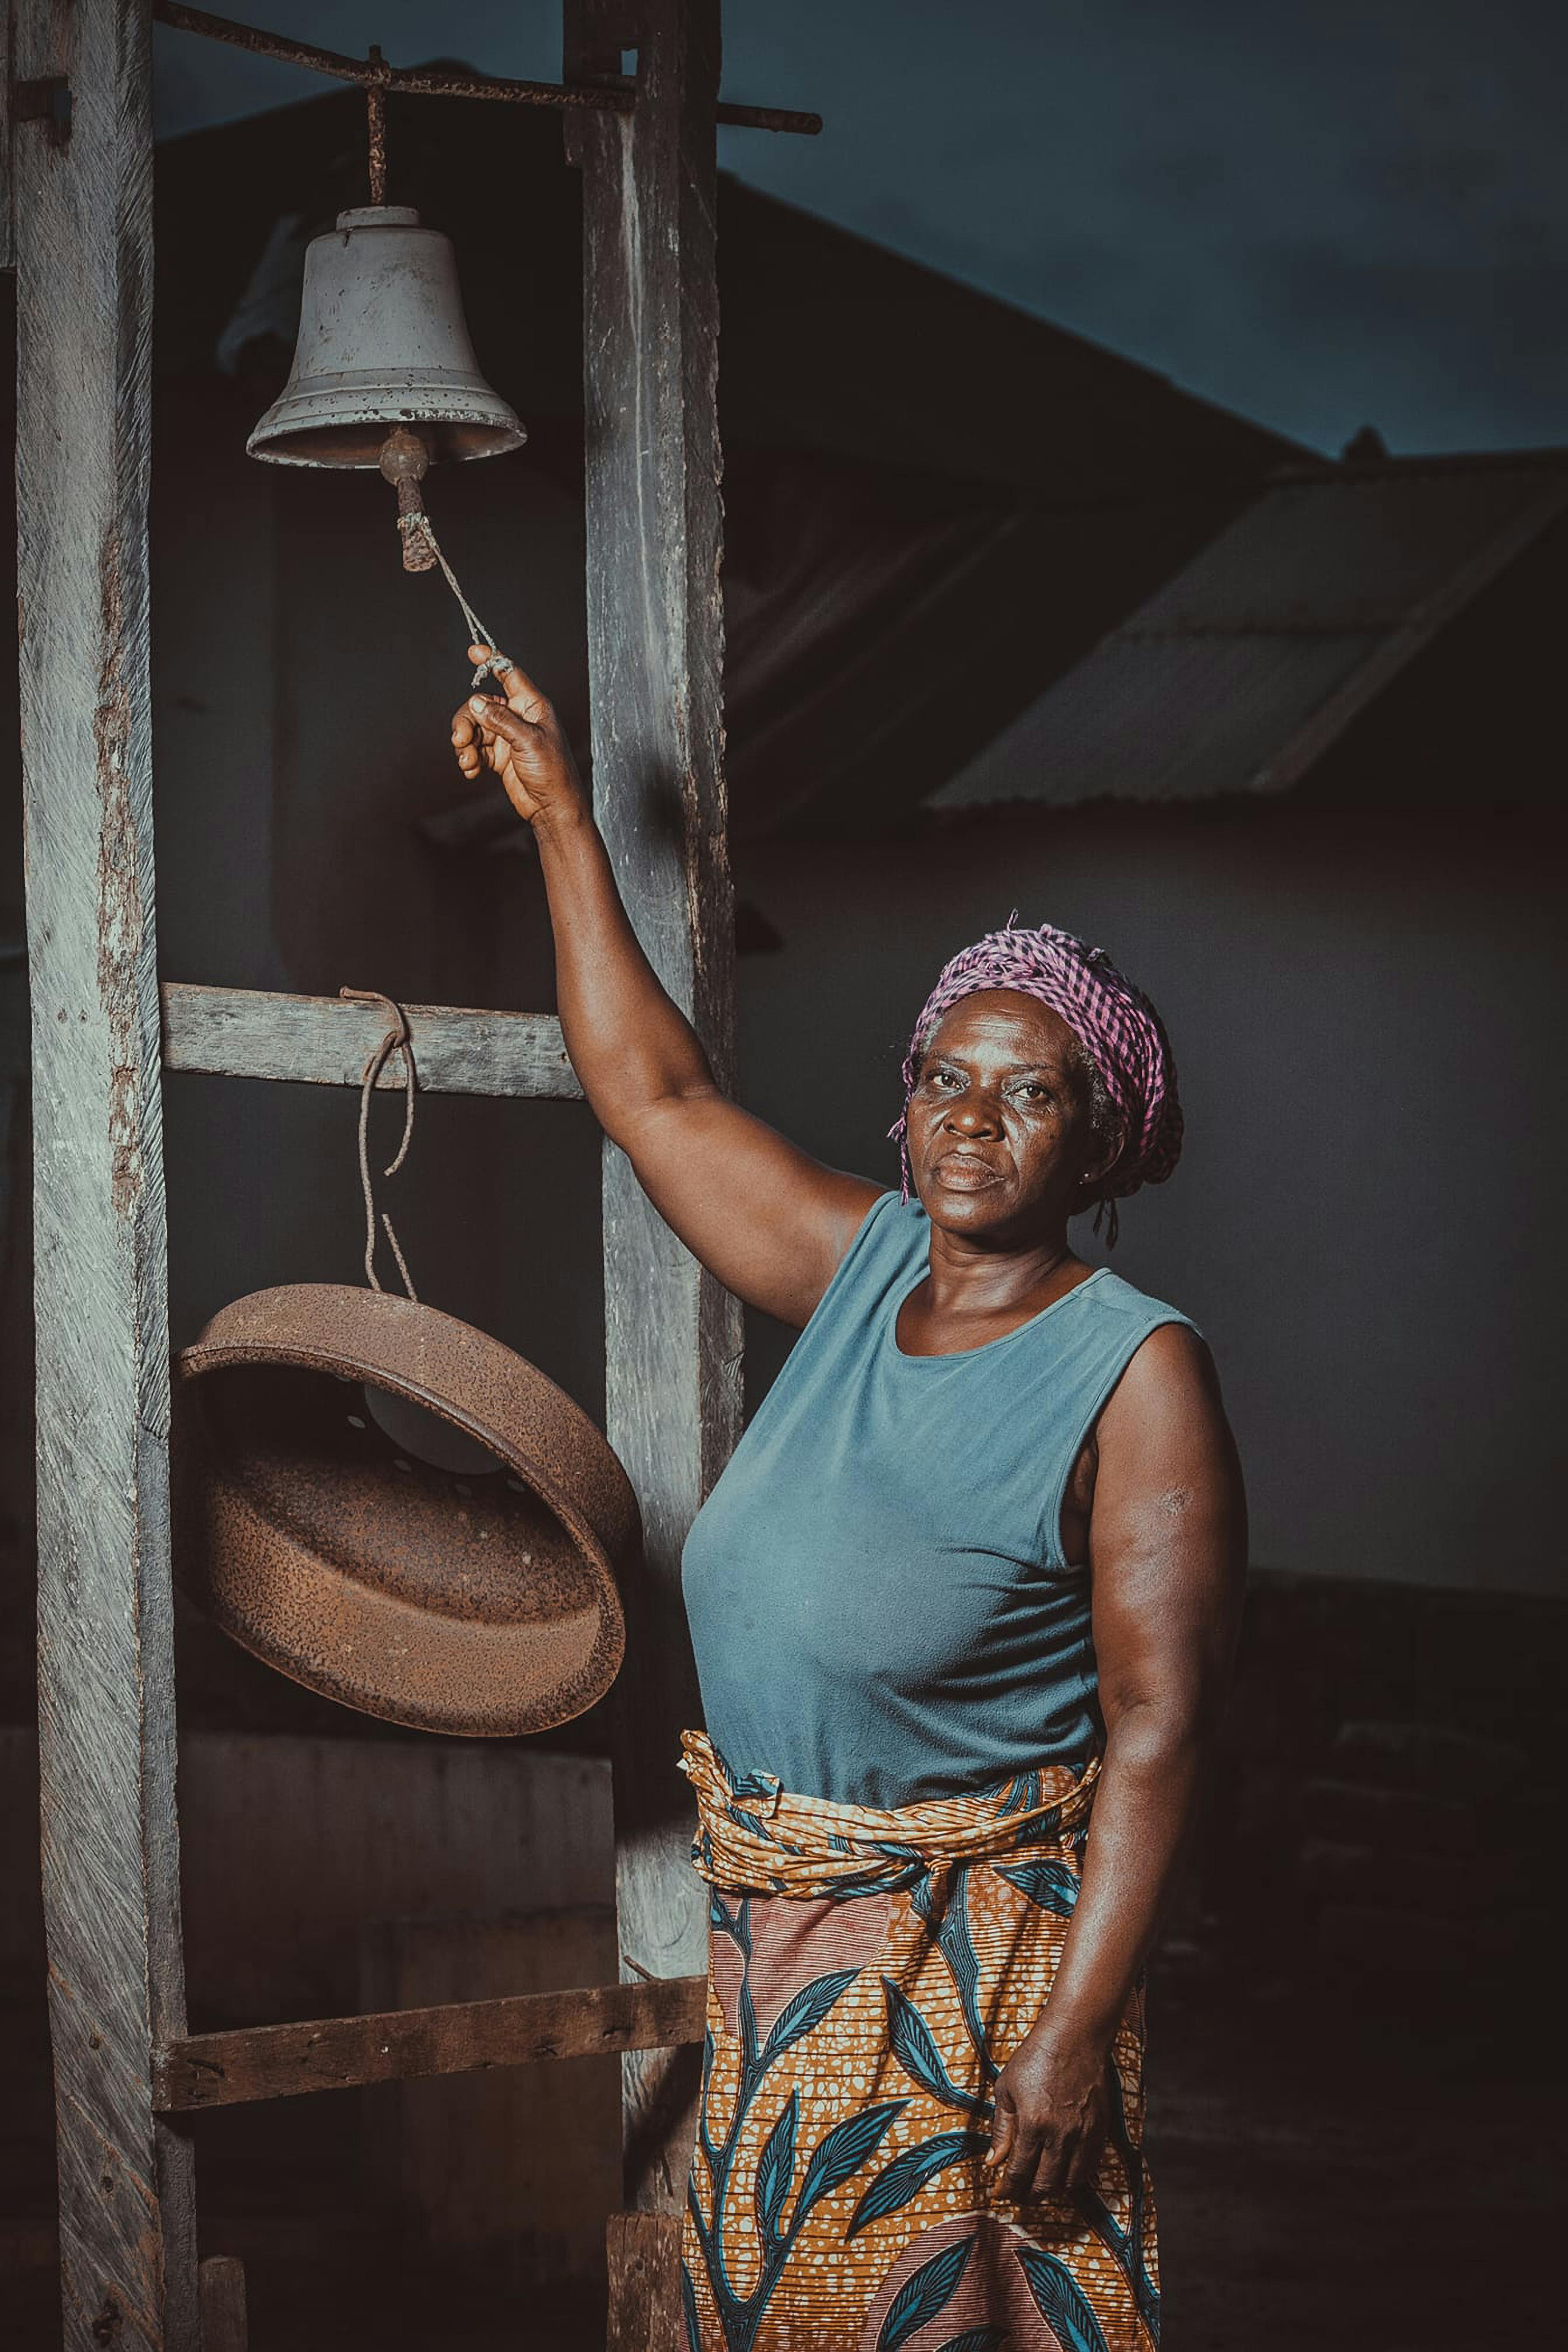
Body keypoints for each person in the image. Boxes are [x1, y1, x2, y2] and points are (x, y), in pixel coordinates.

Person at [453, 651, 1246, 2352]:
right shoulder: (860, 1263)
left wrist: (1073, 2035)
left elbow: (1160, 1723)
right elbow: (656, 1096)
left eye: (1030, 1091)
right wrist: (562, 819)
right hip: (781, 1931)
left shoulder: (1134, 1368)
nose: (974, 1118)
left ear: (1101, 1143)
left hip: (982, 1969)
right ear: (905, 1104)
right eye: (945, 1076)